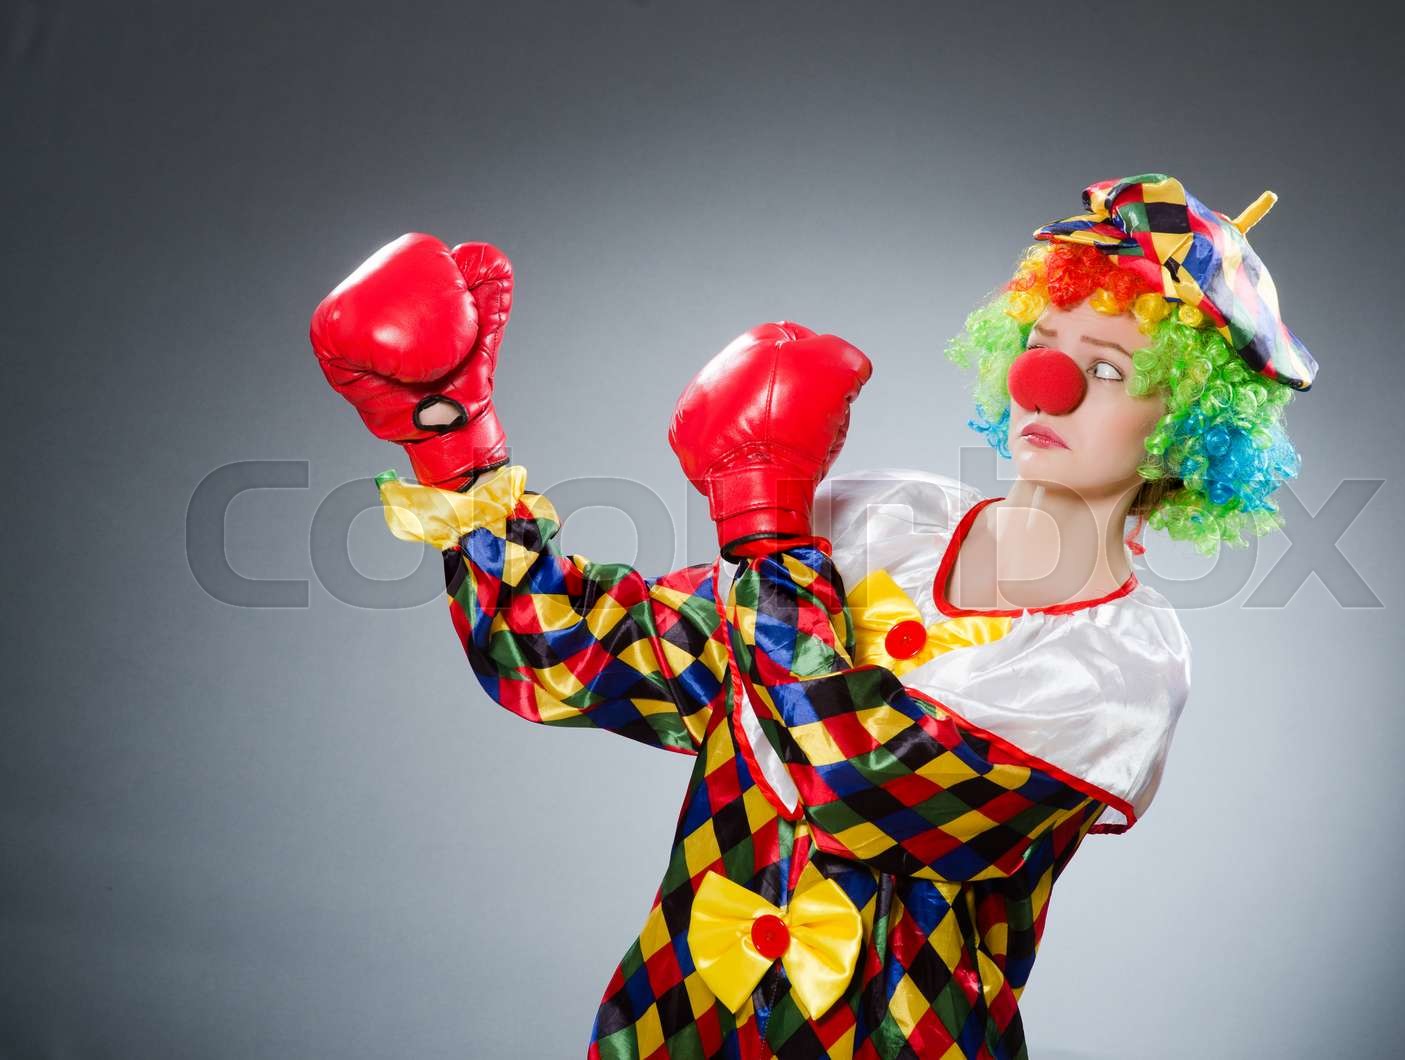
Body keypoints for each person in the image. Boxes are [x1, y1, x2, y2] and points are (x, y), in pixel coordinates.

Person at [309, 173, 1315, 1059]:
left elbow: (852, 780)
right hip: (674, 1025)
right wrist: (449, 431)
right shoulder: (882, 521)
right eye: (1043, 343)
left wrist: (767, 525)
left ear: (1187, 430)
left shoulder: (1120, 666)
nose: (1042, 384)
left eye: (1104, 369)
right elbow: (570, 659)